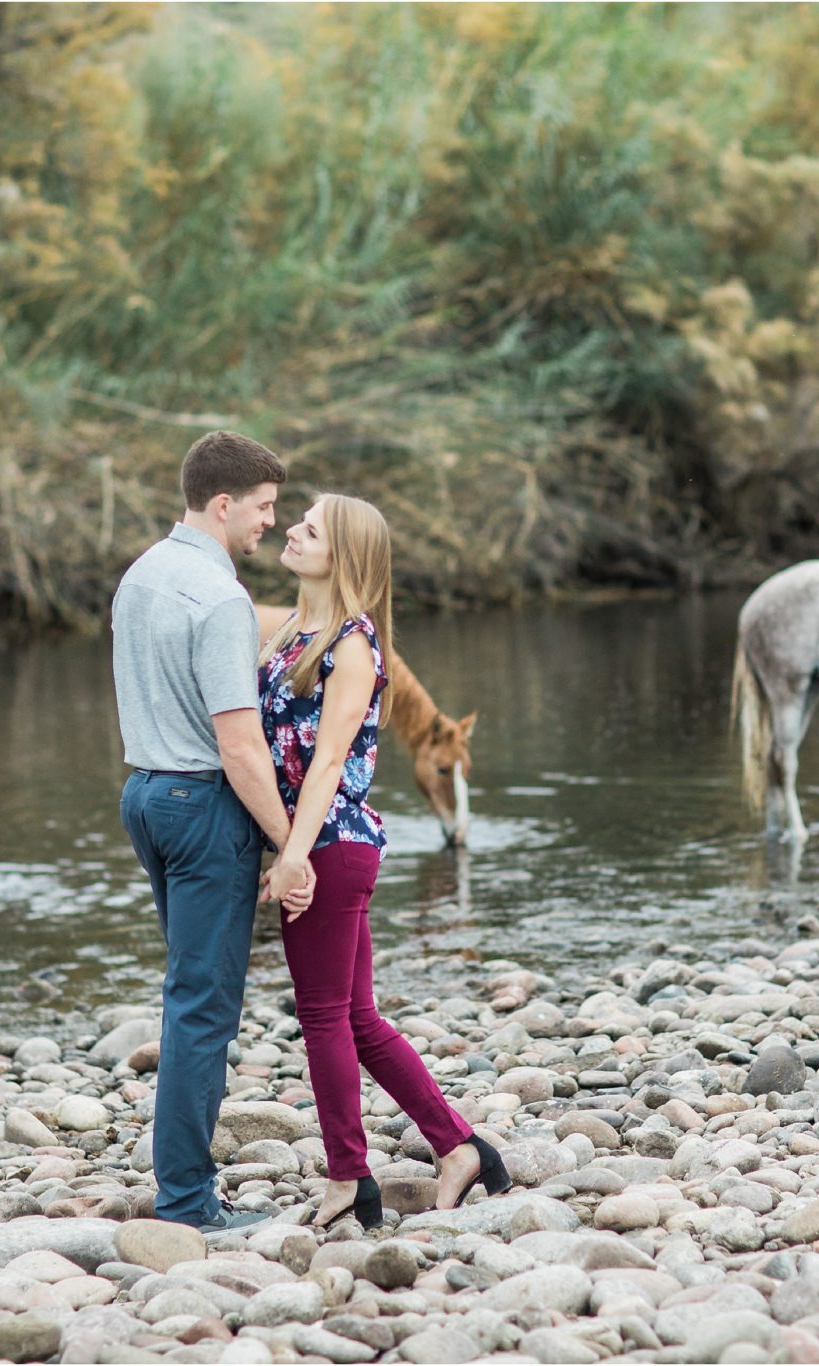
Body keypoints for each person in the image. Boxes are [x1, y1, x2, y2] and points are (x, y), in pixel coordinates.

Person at [254, 493, 512, 1228]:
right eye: (296, 519)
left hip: (330, 847)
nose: (294, 531)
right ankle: (459, 1146)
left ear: (345, 557)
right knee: (358, 1018)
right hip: (327, 846)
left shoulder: (353, 644)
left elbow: (330, 761)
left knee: (323, 1017)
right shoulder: (292, 635)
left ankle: (347, 1178)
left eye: (310, 528)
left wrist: (292, 859)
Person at [110, 430, 315, 1234]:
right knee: (203, 1011)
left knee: (188, 997)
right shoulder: (223, 599)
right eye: (263, 509)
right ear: (223, 504)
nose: (271, 522)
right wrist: (291, 842)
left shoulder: (142, 575)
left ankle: (183, 1185)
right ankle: (189, 1203)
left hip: (144, 796)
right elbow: (239, 744)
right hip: (202, 808)